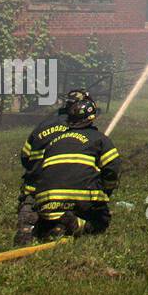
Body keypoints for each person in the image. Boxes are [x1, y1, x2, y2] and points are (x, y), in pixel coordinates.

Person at [14, 90, 120, 245]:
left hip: (38, 193)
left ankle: (34, 226)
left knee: (46, 217)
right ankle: (75, 224)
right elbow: (112, 168)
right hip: (77, 195)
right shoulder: (96, 138)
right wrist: (106, 190)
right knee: (101, 218)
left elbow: (25, 157)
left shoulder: (46, 128)